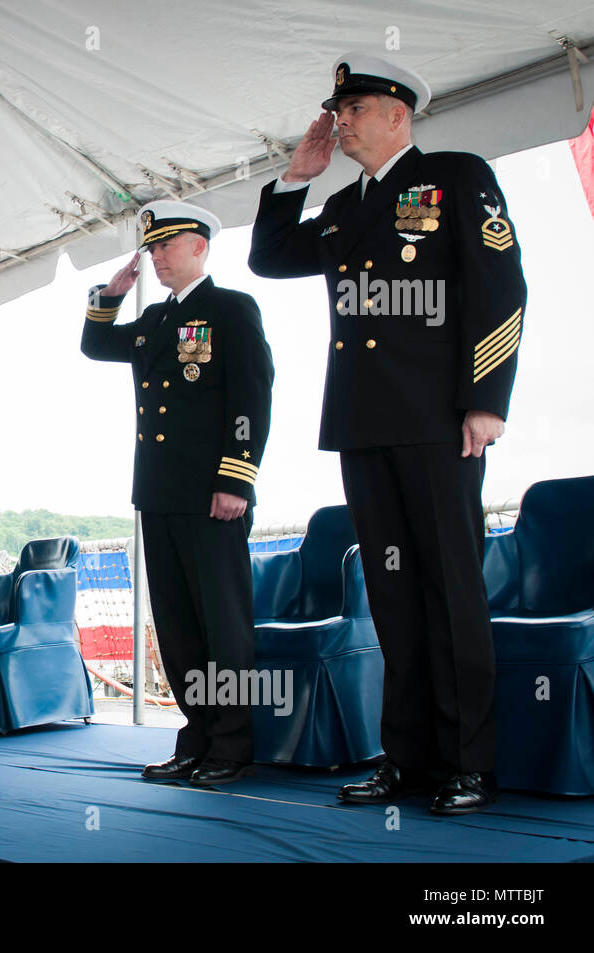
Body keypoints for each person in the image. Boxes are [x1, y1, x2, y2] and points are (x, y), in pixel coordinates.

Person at [248, 53, 526, 814]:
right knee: (393, 594)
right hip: (365, 424)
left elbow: (501, 287)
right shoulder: (339, 208)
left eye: (355, 108)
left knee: (451, 590)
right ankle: (405, 762)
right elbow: (270, 257)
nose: (341, 122)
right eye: (339, 111)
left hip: (440, 420)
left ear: (398, 113)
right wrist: (296, 181)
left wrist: (485, 398)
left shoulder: (456, 176)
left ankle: (468, 762)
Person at [82, 201, 273, 786]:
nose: (158, 256)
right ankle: (196, 737)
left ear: (201, 247)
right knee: (179, 625)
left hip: (212, 494)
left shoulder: (231, 308)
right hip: (159, 493)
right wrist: (108, 297)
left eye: (167, 245)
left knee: (224, 623)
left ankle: (233, 744)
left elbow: (252, 395)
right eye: (152, 248)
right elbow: (96, 346)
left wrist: (236, 477)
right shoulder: (156, 322)